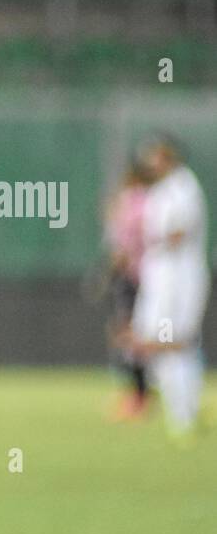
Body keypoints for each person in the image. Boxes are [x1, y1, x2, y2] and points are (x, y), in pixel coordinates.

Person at [123, 134, 210, 444]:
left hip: (180, 278)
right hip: (158, 276)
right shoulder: (159, 191)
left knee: (175, 341)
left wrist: (146, 243)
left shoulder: (184, 187)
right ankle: (179, 411)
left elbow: (179, 233)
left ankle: (184, 413)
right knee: (151, 341)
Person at [102, 161, 151, 421]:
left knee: (131, 334)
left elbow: (124, 247)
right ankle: (136, 391)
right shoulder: (140, 201)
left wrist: (109, 272)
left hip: (135, 278)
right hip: (136, 277)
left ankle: (140, 394)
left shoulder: (137, 202)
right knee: (127, 334)